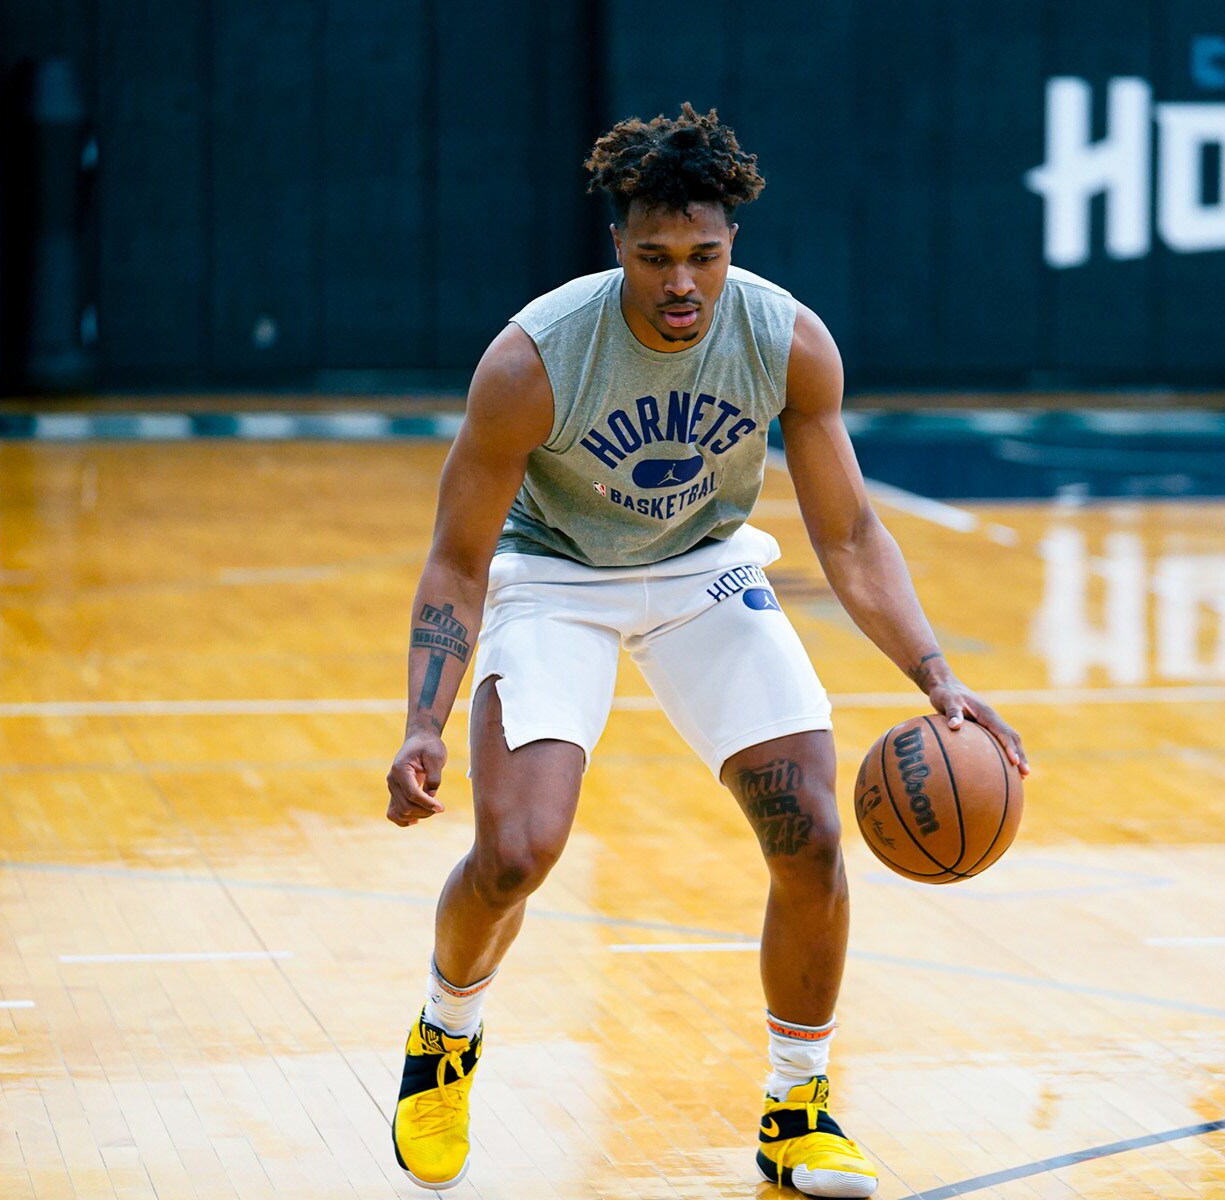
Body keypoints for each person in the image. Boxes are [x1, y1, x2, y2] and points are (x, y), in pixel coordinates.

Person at [384, 104, 1028, 1198]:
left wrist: (935, 674)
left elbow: (851, 534)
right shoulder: (533, 360)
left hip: (703, 570)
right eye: (655, 258)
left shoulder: (786, 341)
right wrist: (421, 723)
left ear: (733, 247)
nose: (681, 283)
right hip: (555, 579)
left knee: (814, 835)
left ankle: (800, 1109)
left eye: (704, 257)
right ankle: (446, 1034)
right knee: (514, 855)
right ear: (618, 248)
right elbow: (456, 561)